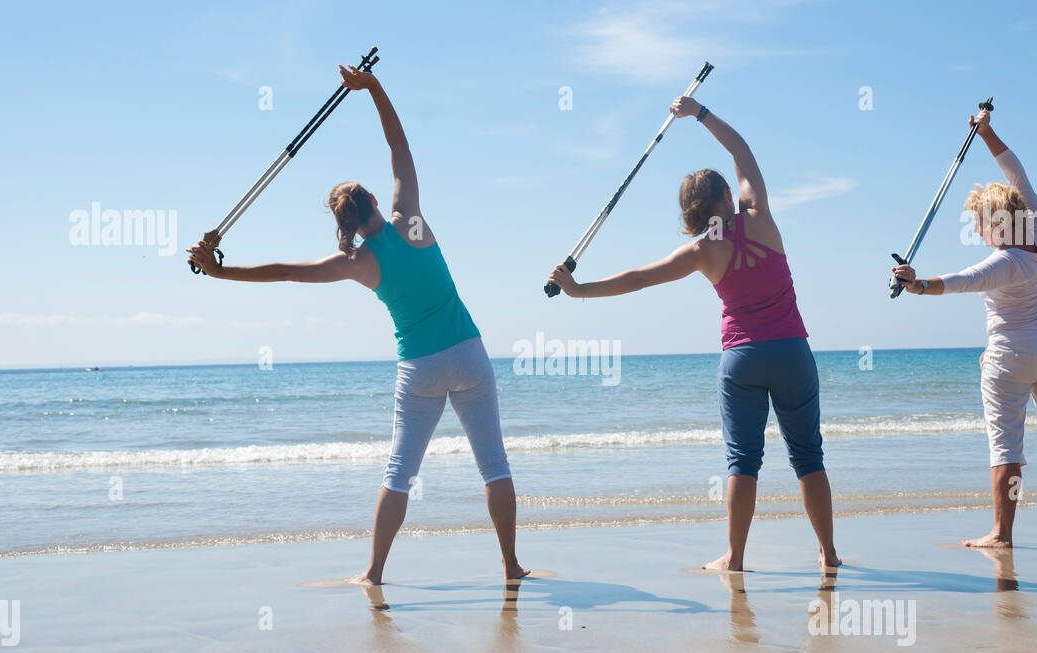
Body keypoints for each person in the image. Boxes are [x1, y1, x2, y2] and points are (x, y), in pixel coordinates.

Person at [188, 64, 527, 585]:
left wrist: (218, 271)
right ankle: (510, 566)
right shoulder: (409, 219)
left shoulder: (353, 264)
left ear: (342, 223)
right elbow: (400, 148)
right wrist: (374, 89)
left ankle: (373, 573)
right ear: (372, 201)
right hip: (467, 353)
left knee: (399, 473)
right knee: (494, 465)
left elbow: (281, 273)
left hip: (418, 367)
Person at [548, 98, 841, 577]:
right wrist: (700, 113)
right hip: (791, 352)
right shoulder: (759, 215)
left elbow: (637, 278)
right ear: (728, 197)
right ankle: (828, 554)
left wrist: (578, 290)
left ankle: (738, 558)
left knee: (743, 460)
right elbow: (741, 149)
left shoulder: (700, 252)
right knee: (808, 455)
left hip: (742, 358)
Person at [893, 108, 1037, 549]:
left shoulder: (1004, 260)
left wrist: (916, 285)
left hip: (1012, 357)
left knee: (1006, 448)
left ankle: (1002, 535)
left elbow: (961, 282)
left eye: (980, 222)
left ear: (996, 222)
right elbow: (1015, 170)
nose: (978, 229)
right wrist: (986, 133)